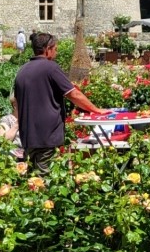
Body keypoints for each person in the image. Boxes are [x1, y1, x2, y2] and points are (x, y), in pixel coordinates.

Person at [11, 33, 109, 173]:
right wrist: (96, 110)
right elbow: (73, 94)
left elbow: (18, 102)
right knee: (45, 179)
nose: (56, 53)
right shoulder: (50, 68)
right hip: (46, 136)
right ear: (47, 49)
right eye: (55, 49)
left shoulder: (22, 71)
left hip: (28, 137)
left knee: (33, 178)